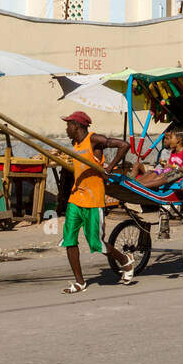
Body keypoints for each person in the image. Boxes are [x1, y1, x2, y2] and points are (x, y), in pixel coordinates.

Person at [61, 111, 135, 294]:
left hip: (93, 200)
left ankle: (125, 260)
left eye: (68, 124)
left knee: (97, 243)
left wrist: (109, 167)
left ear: (77, 125)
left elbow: (124, 145)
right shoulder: (75, 144)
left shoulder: (94, 140)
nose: (66, 128)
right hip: (75, 198)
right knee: (69, 239)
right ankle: (79, 282)